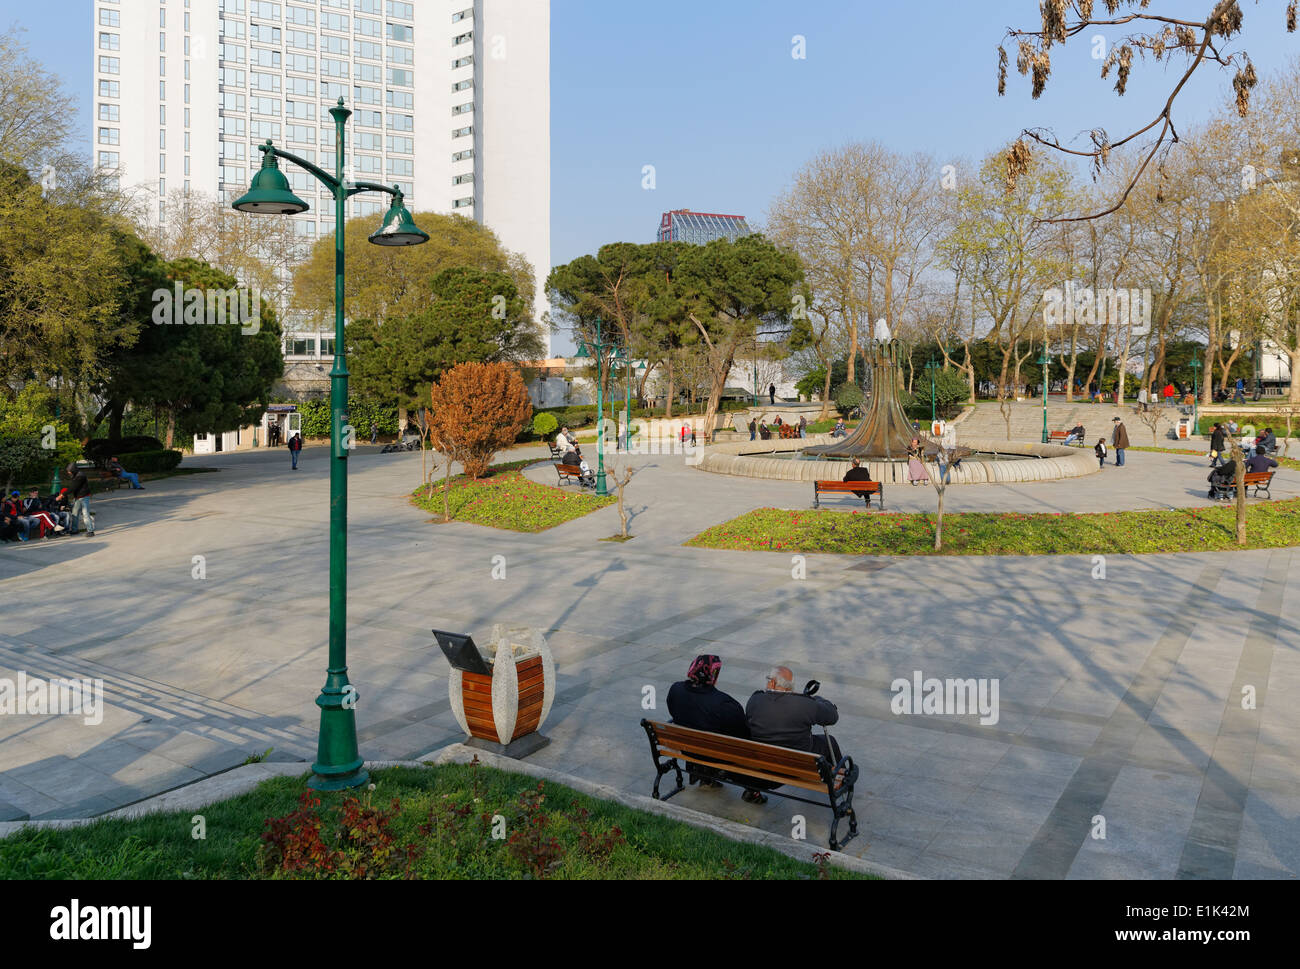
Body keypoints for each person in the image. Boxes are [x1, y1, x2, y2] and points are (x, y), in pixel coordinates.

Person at [745, 665, 842, 804]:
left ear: (772, 682)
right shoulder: (804, 704)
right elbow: (832, 717)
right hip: (797, 765)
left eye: (768, 679)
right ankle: (842, 780)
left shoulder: (755, 700)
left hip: (762, 762)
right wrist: (817, 699)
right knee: (829, 742)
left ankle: (752, 791)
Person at [667, 654, 750, 789]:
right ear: (713, 675)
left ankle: (705, 776)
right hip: (716, 755)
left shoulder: (675, 690)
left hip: (688, 749)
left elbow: (674, 713)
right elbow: (744, 734)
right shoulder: (724, 704)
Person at [68, 465, 93, 536]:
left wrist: (62, 494)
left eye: (69, 471)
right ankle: (74, 530)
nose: (68, 473)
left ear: (73, 470)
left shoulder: (80, 476)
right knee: (74, 513)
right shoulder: (75, 475)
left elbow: (73, 487)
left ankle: (90, 531)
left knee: (85, 514)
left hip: (84, 497)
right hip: (78, 497)